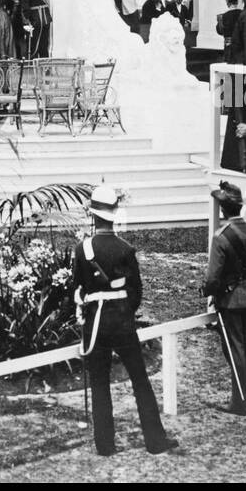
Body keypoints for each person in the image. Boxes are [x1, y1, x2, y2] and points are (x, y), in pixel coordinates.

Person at [74, 185, 179, 457]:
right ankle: (155, 441)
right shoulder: (125, 249)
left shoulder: (81, 249)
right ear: (113, 215)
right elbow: (136, 292)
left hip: (95, 322)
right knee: (140, 380)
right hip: (121, 321)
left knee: (99, 382)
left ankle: (105, 445)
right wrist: (123, 311)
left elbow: (77, 289)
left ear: (93, 216)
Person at [203, 182, 246, 415]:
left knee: (235, 350)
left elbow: (213, 276)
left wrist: (209, 291)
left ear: (223, 209)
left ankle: (240, 402)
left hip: (230, 300)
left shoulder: (221, 237)